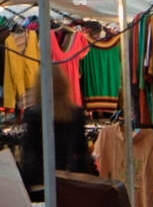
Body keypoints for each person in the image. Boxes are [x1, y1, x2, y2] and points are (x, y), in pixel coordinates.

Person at [20, 66, 97, 194]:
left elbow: (30, 154)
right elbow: (82, 151)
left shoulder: (34, 115)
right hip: (69, 181)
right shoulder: (76, 114)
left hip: (41, 182)